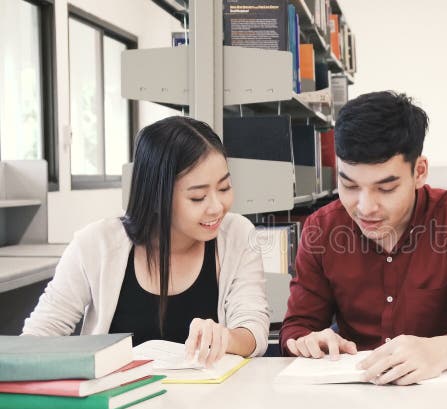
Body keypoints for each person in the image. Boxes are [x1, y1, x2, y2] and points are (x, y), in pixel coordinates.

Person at [280, 91, 447, 385]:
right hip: (353, 399)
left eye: (385, 189)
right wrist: (308, 340)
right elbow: (296, 328)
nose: (365, 207)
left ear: (419, 171)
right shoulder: (322, 229)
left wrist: (444, 350)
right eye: (349, 185)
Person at [23, 116, 271, 366]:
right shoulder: (95, 244)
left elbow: (254, 329)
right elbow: (39, 335)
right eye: (198, 197)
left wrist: (226, 338)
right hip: (116, 401)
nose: (217, 207)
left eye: (225, 188)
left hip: (213, 402)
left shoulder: (238, 234)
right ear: (156, 197)